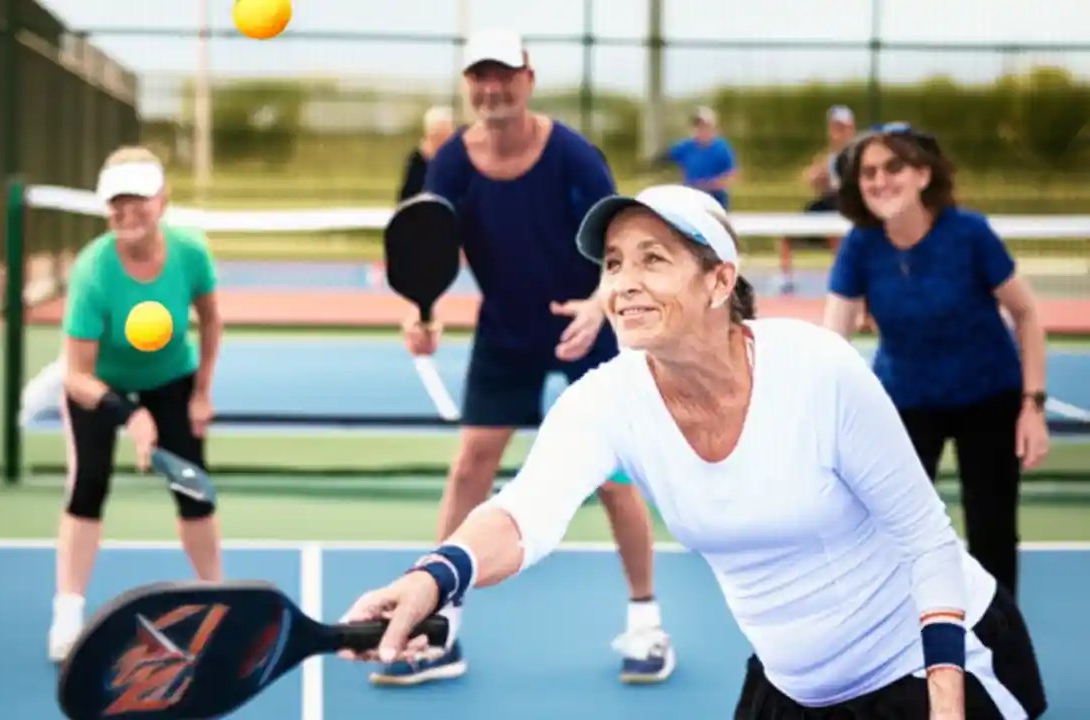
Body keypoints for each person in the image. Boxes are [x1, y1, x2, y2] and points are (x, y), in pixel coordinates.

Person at [342, 184, 1048, 719]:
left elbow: (927, 542)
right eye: (614, 263)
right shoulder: (606, 399)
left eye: (654, 259)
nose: (623, 283)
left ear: (718, 282)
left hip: (933, 665)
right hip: (791, 686)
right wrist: (433, 576)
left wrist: (946, 705)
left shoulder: (816, 371)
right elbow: (523, 514)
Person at [377, 27, 674, 686]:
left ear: (528, 79)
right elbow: (434, 246)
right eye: (480, 77)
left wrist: (600, 303)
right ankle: (439, 622)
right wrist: (421, 316)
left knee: (614, 478)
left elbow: (622, 239)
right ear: (468, 87)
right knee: (470, 467)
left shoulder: (571, 155)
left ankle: (647, 621)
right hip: (505, 328)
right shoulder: (451, 161)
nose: (492, 88)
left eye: (504, 74)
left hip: (584, 326)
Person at [821, 123, 1051, 600]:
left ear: (923, 175)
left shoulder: (970, 234)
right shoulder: (861, 246)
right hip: (906, 402)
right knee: (895, 530)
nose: (879, 181)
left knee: (992, 533)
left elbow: (1027, 313)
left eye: (893, 168)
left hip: (989, 397)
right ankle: (904, 639)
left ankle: (998, 647)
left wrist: (1033, 406)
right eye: (868, 173)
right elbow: (832, 343)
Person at [46, 146, 225, 662]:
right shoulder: (93, 271)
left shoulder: (190, 253)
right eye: (116, 202)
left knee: (194, 491)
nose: (127, 213)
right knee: (88, 486)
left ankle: (216, 598)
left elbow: (211, 319)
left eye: (139, 200)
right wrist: (130, 416)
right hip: (99, 386)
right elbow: (75, 373)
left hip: (172, 379)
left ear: (162, 201)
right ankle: (68, 610)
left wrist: (202, 393)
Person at [776, 104, 856, 294]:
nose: (837, 132)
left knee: (835, 233)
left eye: (841, 127)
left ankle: (843, 281)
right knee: (786, 234)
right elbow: (811, 179)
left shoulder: (857, 153)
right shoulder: (827, 156)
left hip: (846, 205)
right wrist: (819, 178)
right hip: (826, 203)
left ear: (851, 128)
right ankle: (787, 280)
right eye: (834, 127)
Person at [654, 105, 738, 209]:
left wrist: (709, 185)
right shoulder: (686, 146)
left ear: (712, 127)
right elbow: (664, 157)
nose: (700, 130)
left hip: (715, 197)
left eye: (704, 126)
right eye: (697, 126)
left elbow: (731, 176)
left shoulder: (722, 148)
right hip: (691, 195)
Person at [397, 106, 457, 202]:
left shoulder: (460, 158)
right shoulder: (417, 161)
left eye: (446, 137)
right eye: (437, 137)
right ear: (428, 135)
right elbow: (406, 201)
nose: (442, 144)